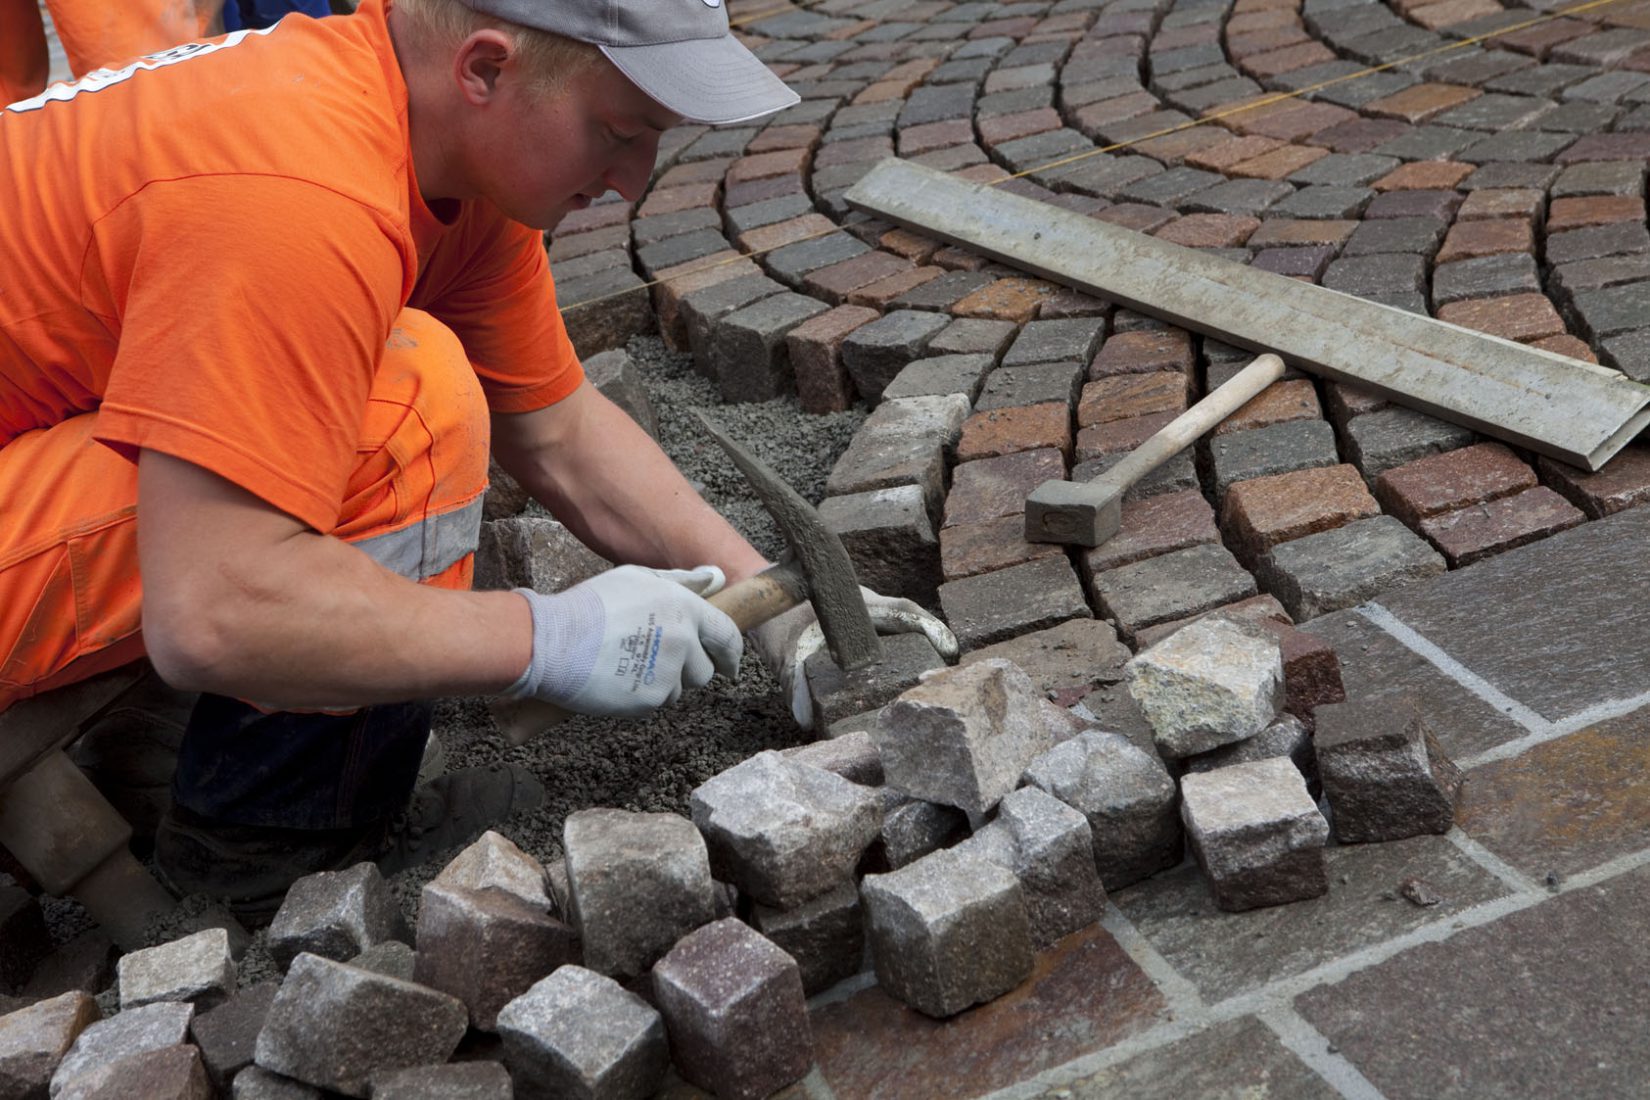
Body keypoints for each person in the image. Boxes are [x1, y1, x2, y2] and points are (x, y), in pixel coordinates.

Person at [0, 0, 954, 920]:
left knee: (404, 392)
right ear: (487, 67)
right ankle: (268, 848)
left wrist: (784, 605)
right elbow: (209, 611)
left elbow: (561, 432)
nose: (635, 180)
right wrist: (546, 641)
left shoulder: (427, 135)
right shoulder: (297, 195)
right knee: (405, 416)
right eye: (619, 131)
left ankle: (211, 744)